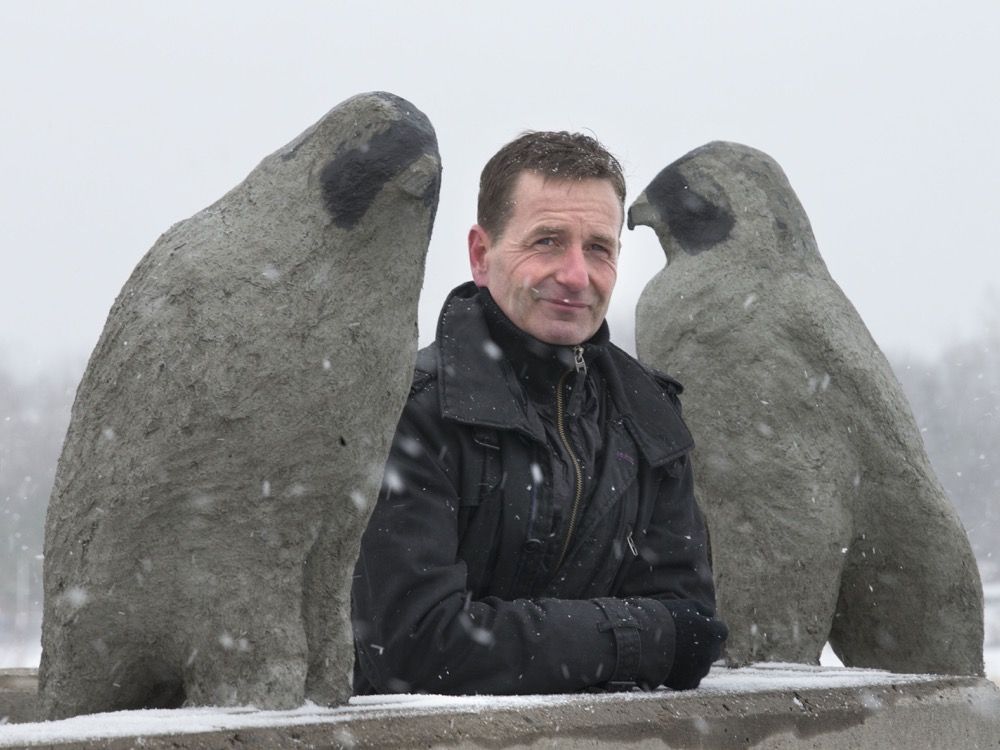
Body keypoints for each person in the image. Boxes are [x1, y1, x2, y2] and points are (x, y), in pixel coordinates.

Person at [351, 131, 726, 695]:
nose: (576, 275)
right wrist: (633, 637)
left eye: (598, 248)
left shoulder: (651, 417)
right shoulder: (410, 413)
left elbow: (693, 634)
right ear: (482, 255)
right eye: (548, 242)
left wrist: (510, 635)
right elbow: (416, 648)